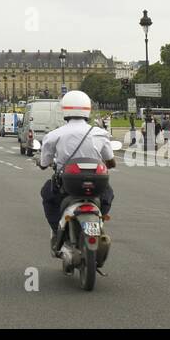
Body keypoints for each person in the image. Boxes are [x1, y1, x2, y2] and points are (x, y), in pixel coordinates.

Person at [37, 92, 116, 254]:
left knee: (47, 196)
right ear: (87, 110)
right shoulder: (100, 133)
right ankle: (99, 223)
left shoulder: (54, 135)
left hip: (68, 184)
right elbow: (111, 162)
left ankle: (58, 229)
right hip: (96, 184)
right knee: (108, 195)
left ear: (64, 111)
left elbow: (44, 163)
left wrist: (42, 163)